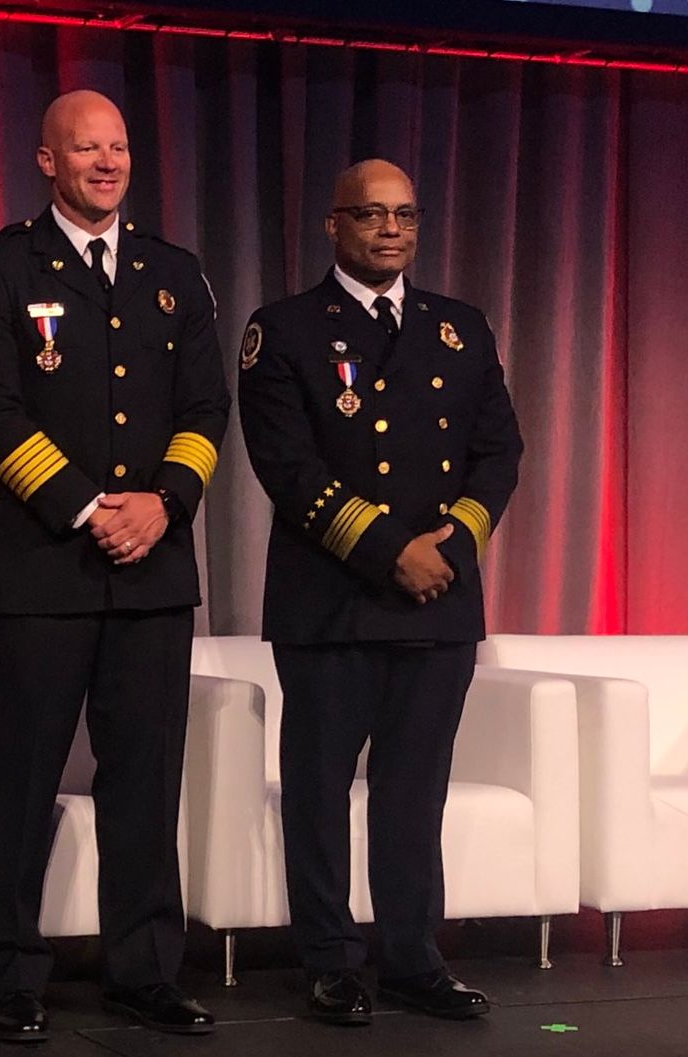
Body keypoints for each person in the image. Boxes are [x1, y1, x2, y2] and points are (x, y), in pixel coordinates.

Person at [0, 89, 229, 1043]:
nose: (107, 163)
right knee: (23, 780)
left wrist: (165, 503)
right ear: (46, 160)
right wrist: (85, 505)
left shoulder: (174, 272)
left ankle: (145, 971)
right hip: (43, 567)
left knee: (146, 783)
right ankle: (7, 973)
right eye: (86, 149)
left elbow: (206, 407)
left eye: (118, 147)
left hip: (153, 569)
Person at [237, 159, 523, 1025]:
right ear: (334, 225)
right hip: (332, 601)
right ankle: (330, 960)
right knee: (319, 792)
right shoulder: (284, 329)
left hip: (440, 601)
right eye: (371, 214)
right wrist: (391, 549)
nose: (391, 229)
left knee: (414, 792)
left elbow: (498, 451)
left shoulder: (458, 327)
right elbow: (287, 465)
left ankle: (412, 958)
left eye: (405, 214)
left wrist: (455, 544)